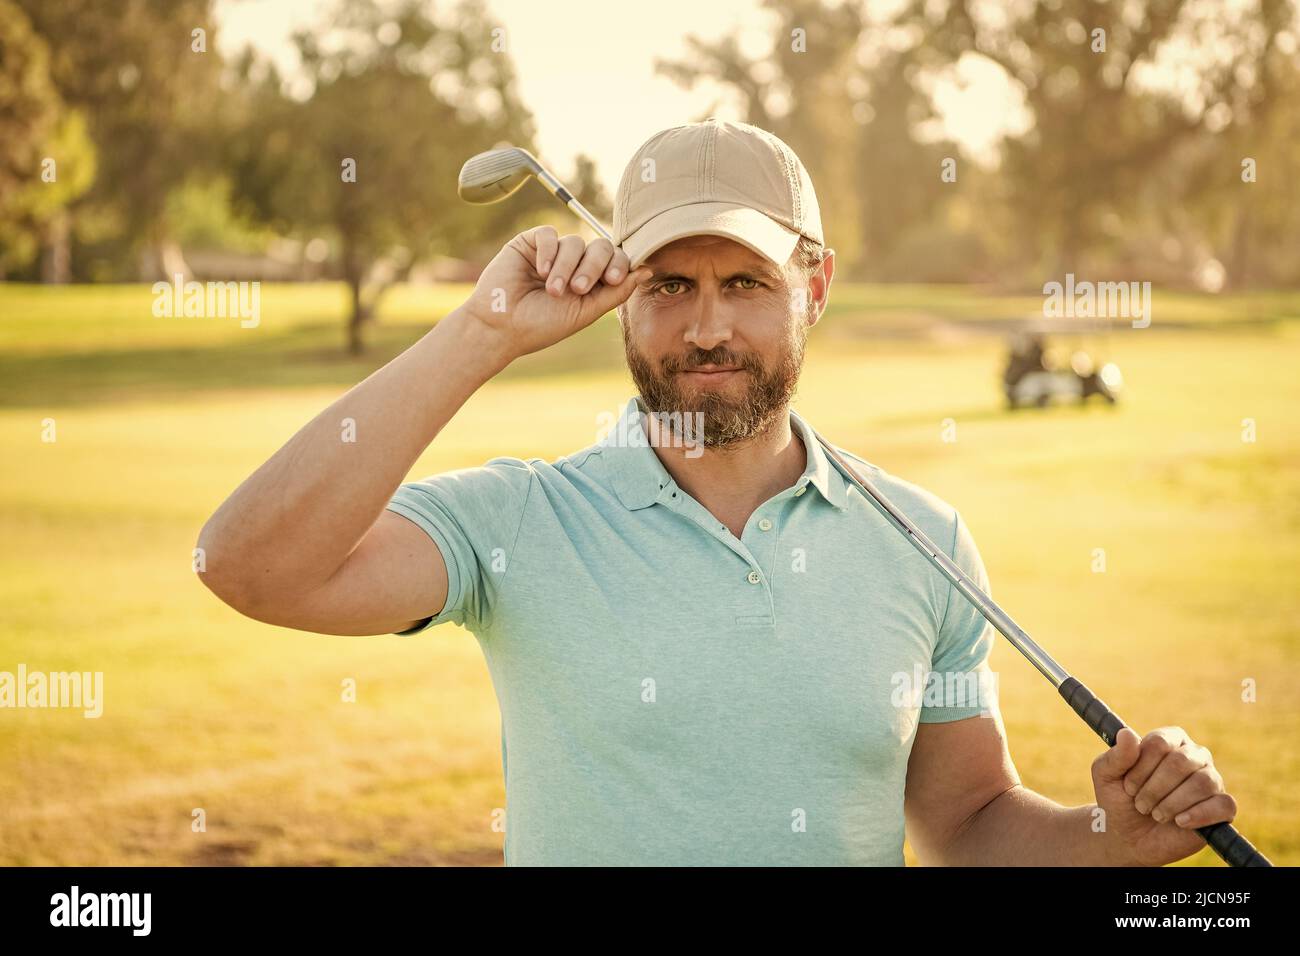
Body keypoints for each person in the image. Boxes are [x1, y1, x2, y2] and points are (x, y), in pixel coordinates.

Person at [197, 119, 1238, 866]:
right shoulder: (515, 521)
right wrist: (481, 337)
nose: (705, 329)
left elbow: (963, 823)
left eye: (745, 283)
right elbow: (246, 566)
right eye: (667, 286)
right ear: (616, 299)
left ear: (814, 287)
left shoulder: (926, 539)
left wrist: (1107, 836)